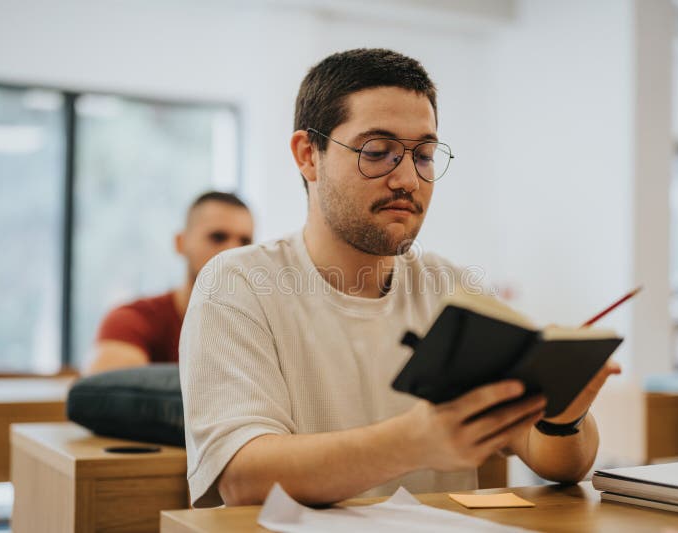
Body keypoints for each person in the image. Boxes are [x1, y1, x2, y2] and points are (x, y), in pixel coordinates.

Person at [180, 49, 621, 507]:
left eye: (425, 155)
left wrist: (564, 418)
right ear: (309, 155)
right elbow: (241, 477)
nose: (409, 179)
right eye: (378, 152)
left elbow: (563, 462)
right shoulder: (237, 284)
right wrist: (414, 441)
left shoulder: (454, 291)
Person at [88, 191, 253, 374]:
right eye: (218, 237)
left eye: (245, 242)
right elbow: (106, 396)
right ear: (180, 243)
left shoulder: (256, 329)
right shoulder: (132, 320)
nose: (234, 252)